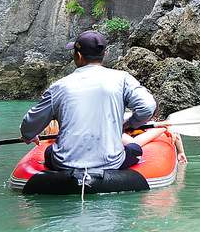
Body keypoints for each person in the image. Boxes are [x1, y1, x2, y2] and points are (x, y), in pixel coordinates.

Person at [21, 31, 157, 172]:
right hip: (112, 164)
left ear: (78, 56)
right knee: (134, 149)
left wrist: (29, 135)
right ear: (105, 54)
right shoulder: (123, 79)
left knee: (49, 151)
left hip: (65, 165)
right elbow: (147, 107)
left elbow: (29, 125)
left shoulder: (58, 87)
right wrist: (129, 124)